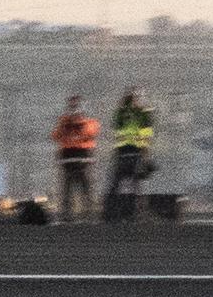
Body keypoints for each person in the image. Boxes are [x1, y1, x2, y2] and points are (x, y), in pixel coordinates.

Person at [105, 87, 156, 222]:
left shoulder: (143, 114)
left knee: (135, 185)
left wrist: (145, 155)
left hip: (135, 152)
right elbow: (116, 123)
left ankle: (136, 213)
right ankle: (114, 214)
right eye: (133, 98)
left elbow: (146, 136)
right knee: (118, 184)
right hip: (122, 152)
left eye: (136, 98)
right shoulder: (123, 113)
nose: (134, 100)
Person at [51, 95, 100, 223]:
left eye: (76, 106)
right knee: (67, 189)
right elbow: (56, 136)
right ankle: (66, 216)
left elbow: (91, 134)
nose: (74, 109)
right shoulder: (64, 121)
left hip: (82, 158)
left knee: (85, 188)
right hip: (68, 158)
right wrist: (66, 123)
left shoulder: (88, 122)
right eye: (72, 106)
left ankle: (89, 215)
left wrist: (79, 122)